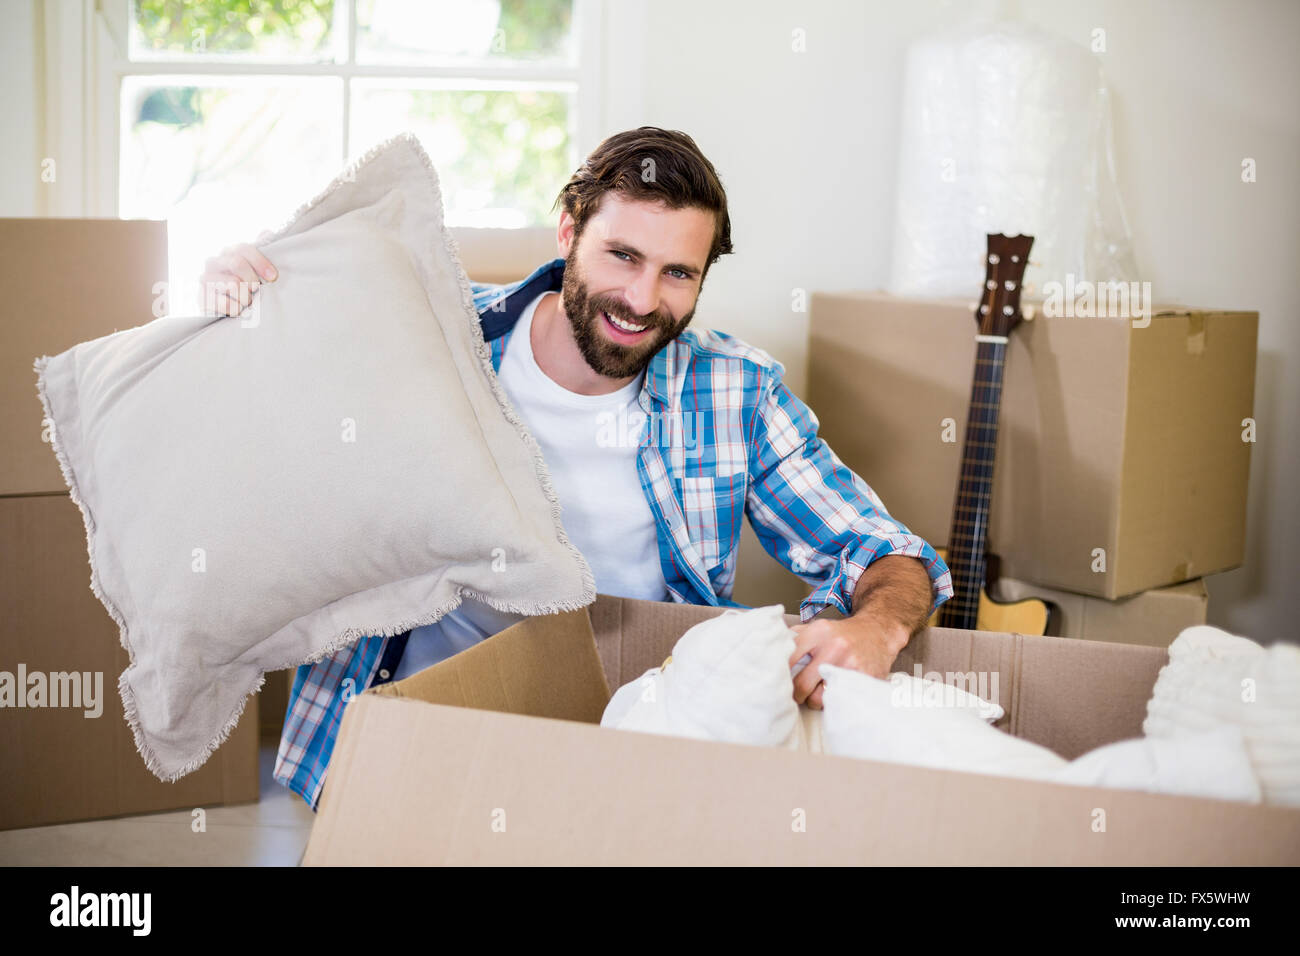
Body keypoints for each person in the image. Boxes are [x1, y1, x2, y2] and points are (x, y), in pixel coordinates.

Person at [200, 127, 953, 811]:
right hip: (412, 724)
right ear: (569, 231)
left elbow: (883, 548)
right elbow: (269, 416)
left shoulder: (736, 393)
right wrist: (241, 301)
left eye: (677, 274)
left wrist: (878, 627)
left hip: (623, 739)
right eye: (622, 255)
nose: (641, 300)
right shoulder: (434, 337)